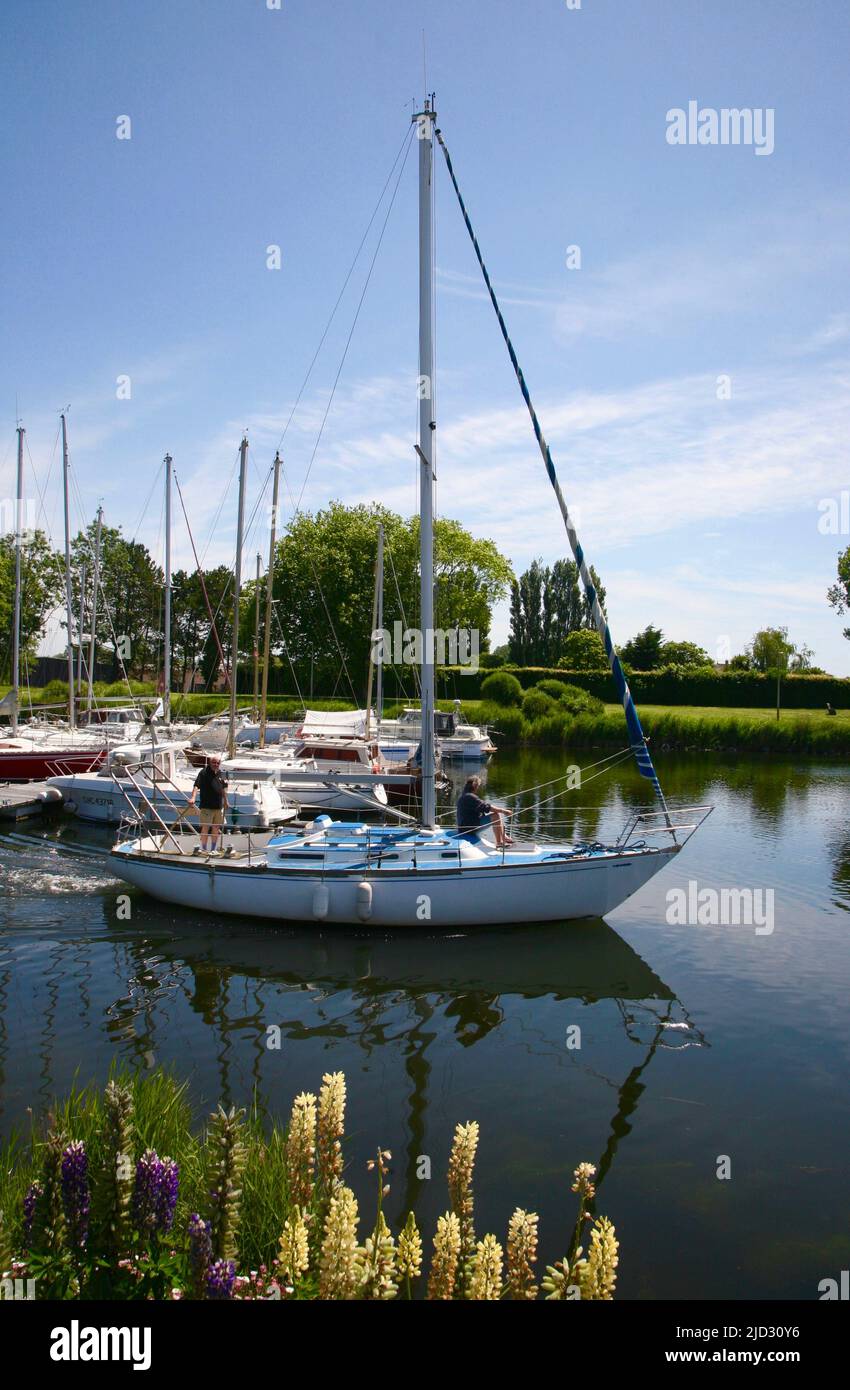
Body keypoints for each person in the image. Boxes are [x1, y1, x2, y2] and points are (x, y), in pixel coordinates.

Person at [456, 775, 512, 848]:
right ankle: (499, 843)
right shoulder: (470, 797)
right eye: (478, 786)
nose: (478, 788)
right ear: (475, 786)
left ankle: (504, 837)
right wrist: (504, 811)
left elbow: (483, 806)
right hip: (468, 828)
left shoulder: (464, 795)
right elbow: (487, 807)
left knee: (496, 815)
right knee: (496, 816)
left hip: (465, 826)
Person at [189, 754, 228, 855]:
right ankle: (204, 848)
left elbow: (224, 788)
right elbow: (196, 786)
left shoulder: (220, 773)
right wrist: (193, 797)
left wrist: (226, 801)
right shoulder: (203, 772)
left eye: (218, 763)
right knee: (205, 827)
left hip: (218, 806)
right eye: (214, 762)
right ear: (210, 763)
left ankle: (213, 849)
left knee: (216, 828)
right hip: (206, 806)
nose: (216, 764)